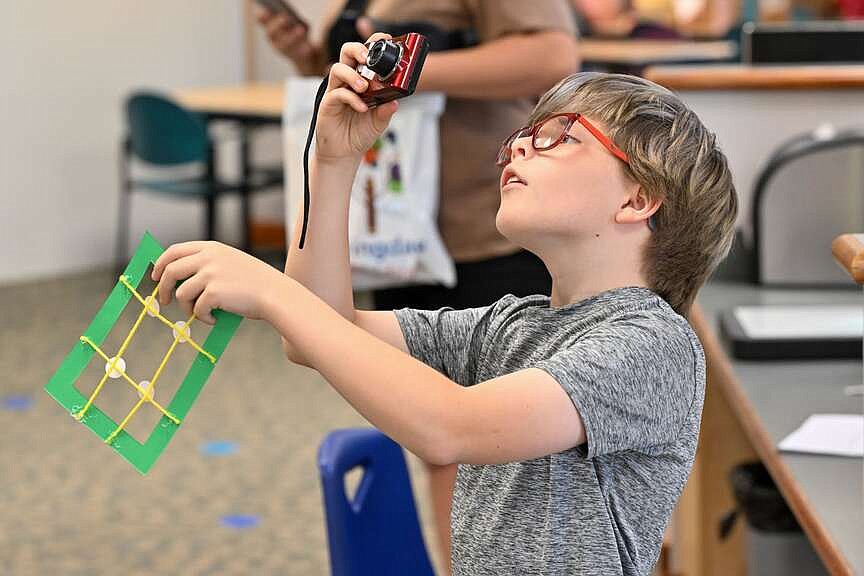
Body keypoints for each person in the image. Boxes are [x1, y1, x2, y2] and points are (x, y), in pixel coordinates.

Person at [151, 35, 738, 574]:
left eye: (560, 134)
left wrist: (271, 289)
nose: (517, 148)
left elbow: (450, 428)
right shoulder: (512, 326)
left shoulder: (653, 343)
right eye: (521, 135)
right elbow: (317, 332)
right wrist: (333, 164)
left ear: (639, 198)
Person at [257, 2, 577, 569]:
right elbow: (314, 337)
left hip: (480, 232)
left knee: (491, 458)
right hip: (395, 238)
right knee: (443, 454)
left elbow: (552, 55)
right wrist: (315, 70)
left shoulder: (637, 344)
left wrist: (404, 71)